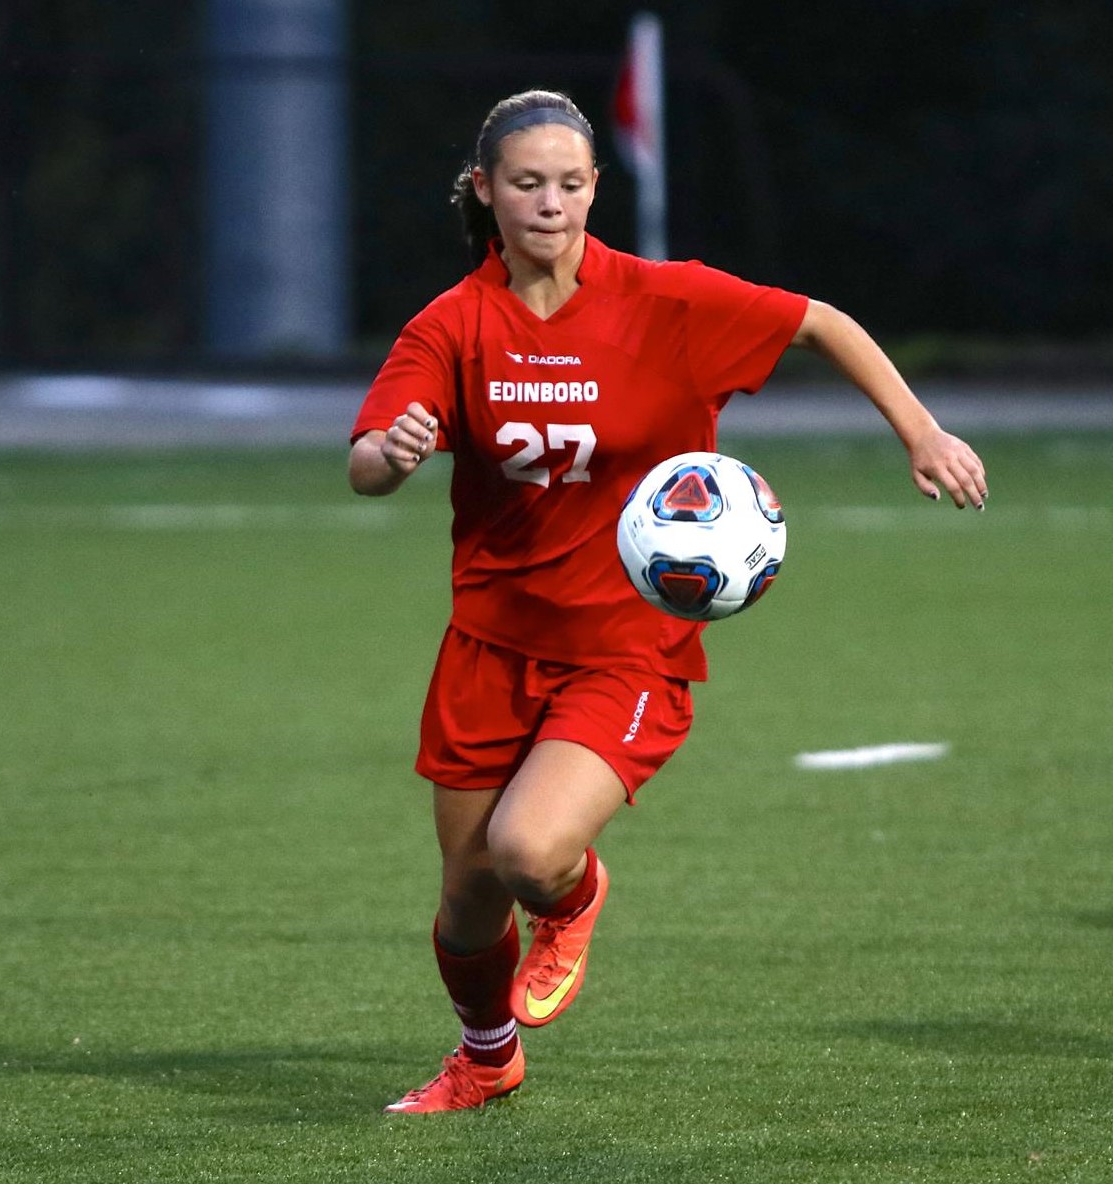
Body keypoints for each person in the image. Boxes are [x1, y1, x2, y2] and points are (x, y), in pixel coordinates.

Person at [348, 89, 987, 1115]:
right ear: (485, 191)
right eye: (524, 183)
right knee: (467, 903)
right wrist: (395, 450)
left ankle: (575, 894)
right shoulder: (453, 324)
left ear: (596, 187)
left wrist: (920, 431)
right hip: (488, 644)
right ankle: (486, 1055)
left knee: (527, 851)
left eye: (567, 182)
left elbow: (817, 323)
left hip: (626, 647)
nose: (548, 203)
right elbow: (366, 463)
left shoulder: (666, 301)